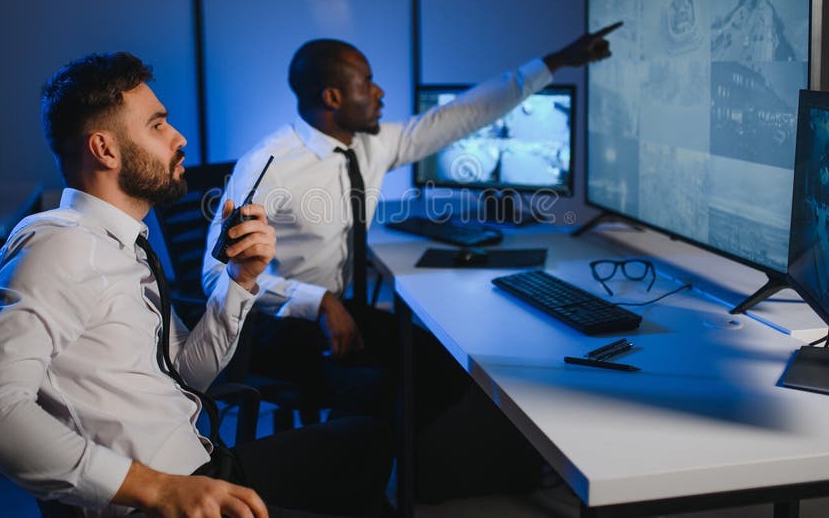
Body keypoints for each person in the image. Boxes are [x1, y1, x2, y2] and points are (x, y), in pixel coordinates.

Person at [0, 52, 392, 518]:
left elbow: (187, 377)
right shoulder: (58, 245)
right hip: (158, 500)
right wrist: (158, 490)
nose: (178, 137)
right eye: (157, 125)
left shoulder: (124, 246)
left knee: (366, 440)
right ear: (105, 149)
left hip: (199, 468)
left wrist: (239, 281)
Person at [201, 25, 621, 500]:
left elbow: (460, 114)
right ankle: (341, 491)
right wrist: (315, 301)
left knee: (441, 365)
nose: (380, 93)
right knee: (370, 385)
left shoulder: (371, 143)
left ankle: (389, 471)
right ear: (333, 96)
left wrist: (555, 61)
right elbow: (214, 275)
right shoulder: (268, 163)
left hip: (337, 309)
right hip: (271, 323)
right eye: (367, 82)